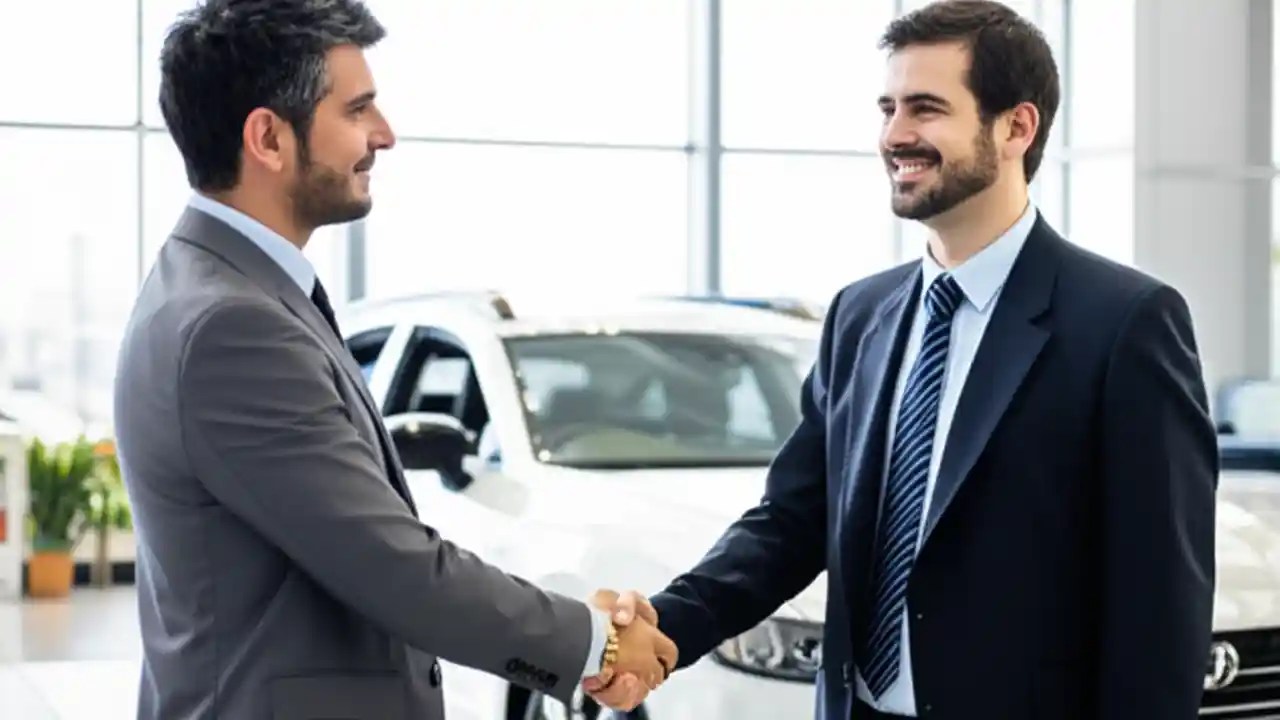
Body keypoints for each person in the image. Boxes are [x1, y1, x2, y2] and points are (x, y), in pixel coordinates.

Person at [590, 1, 1218, 718]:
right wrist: (668, 626)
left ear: (1016, 126)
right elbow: (793, 522)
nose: (895, 135)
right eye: (887, 108)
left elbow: (1159, 602)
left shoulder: (1123, 323)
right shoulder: (861, 315)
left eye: (925, 108)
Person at [112, 2, 674, 718]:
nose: (384, 135)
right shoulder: (233, 325)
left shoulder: (219, 289)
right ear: (268, 138)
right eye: (358, 111)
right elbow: (391, 567)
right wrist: (595, 643)